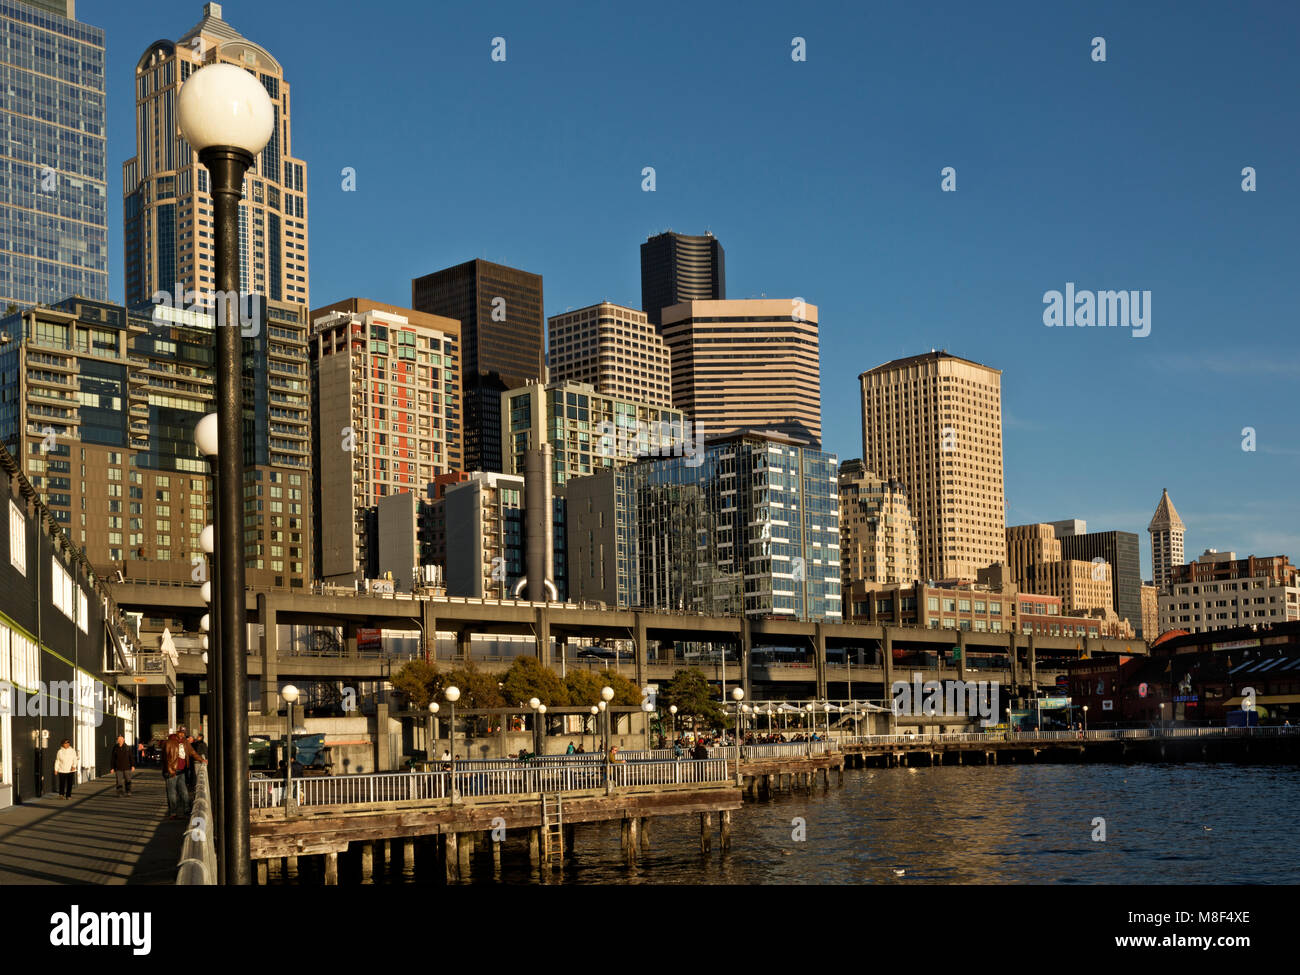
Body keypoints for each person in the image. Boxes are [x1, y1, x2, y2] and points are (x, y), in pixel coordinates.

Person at [163, 729, 206, 820]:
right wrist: (170, 771)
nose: (182, 735)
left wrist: (201, 760)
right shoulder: (169, 742)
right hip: (172, 772)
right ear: (177, 733)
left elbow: (193, 752)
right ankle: (173, 812)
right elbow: (165, 758)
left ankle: (186, 809)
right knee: (172, 793)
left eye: (183, 733)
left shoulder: (185, 742)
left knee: (184, 791)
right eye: (180, 733)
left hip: (182, 771)